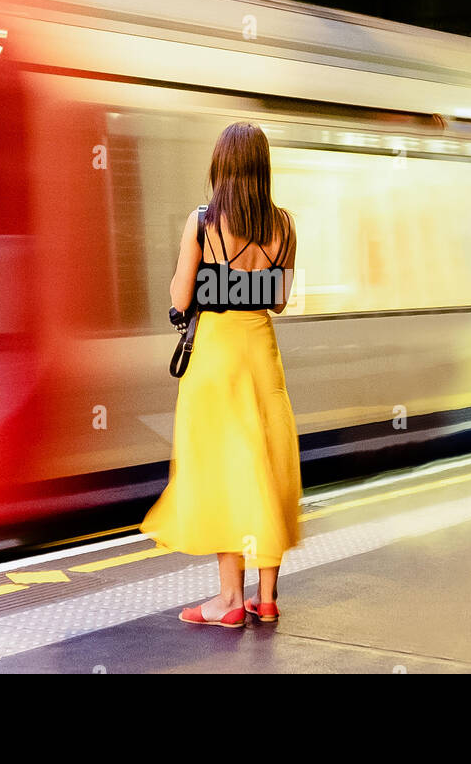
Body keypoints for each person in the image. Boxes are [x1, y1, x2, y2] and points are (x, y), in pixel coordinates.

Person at [141, 121, 301, 628]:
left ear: (221, 166)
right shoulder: (286, 226)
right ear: (263, 166)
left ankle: (229, 599)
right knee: (267, 461)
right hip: (260, 352)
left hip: (214, 356)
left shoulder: (202, 221)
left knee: (221, 469)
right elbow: (277, 300)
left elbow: (180, 298)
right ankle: (267, 596)